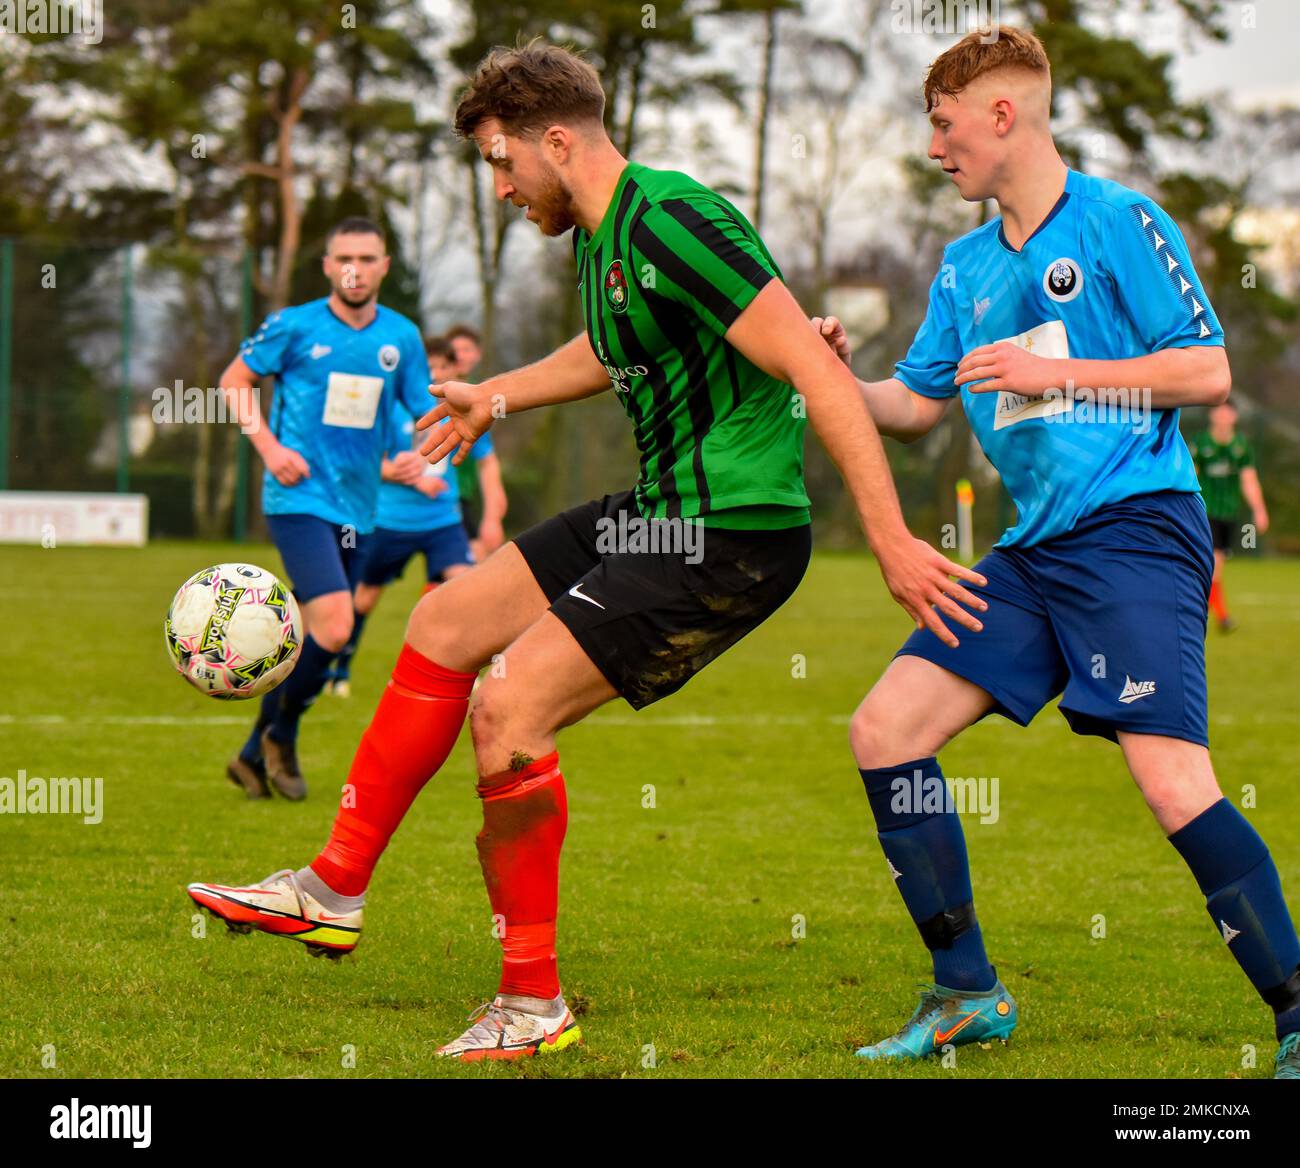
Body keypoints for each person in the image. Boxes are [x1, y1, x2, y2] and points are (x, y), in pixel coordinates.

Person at [187, 38, 983, 1060]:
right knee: (444, 620)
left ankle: (531, 998)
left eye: (500, 160)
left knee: (509, 706)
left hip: (729, 532)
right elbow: (613, 351)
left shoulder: (679, 218)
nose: (501, 185)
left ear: (556, 139)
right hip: (663, 507)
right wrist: (497, 391)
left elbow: (814, 372)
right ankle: (333, 886)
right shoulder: (602, 242)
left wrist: (891, 540)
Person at [814, 26, 1299, 1079]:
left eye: (944, 125)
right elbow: (909, 405)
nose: (934, 147)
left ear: (1003, 116)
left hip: (1133, 530)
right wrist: (829, 380)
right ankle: (967, 995)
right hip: (1033, 553)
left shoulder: (1119, 219)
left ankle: (1298, 1012)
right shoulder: (963, 264)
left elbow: (1206, 370)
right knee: (884, 730)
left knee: (1172, 783)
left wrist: (1062, 379)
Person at [217, 217, 429, 800]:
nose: (354, 268)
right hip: (298, 497)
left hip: (360, 509)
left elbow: (419, 409)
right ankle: (281, 733)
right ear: (328, 266)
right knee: (336, 625)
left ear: (384, 265)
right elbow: (233, 382)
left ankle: (252, 752)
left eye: (366, 257)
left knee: (309, 632)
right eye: (343, 258)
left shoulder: (402, 338)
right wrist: (269, 447)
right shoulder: (293, 326)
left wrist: (413, 455)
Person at [325, 335, 507, 697]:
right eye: (429, 367)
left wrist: (492, 517)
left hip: (443, 522)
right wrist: (409, 477)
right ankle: (339, 672)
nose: (436, 373)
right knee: (363, 599)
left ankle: (471, 677)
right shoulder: (388, 410)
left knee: (469, 591)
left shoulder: (463, 409)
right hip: (391, 521)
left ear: (454, 369)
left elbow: (486, 463)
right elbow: (357, 462)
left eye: (443, 366)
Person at [1189, 401, 1270, 632]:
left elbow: (1249, 480)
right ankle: (1220, 617)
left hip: (1228, 514)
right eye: (1219, 411)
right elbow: (1189, 477)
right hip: (1204, 512)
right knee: (1214, 563)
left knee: (1214, 566)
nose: (1223, 416)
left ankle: (1202, 613)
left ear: (1234, 416)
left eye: (1227, 412)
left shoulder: (1241, 446)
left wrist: (1259, 509)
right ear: (1212, 415)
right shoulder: (1200, 443)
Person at [442, 323, 507, 560]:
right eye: (455, 350)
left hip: (457, 498)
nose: (461, 355)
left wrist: (492, 517)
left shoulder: (476, 402)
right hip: (417, 496)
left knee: (468, 566)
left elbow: (487, 461)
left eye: (467, 349)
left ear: (477, 354)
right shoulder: (421, 393)